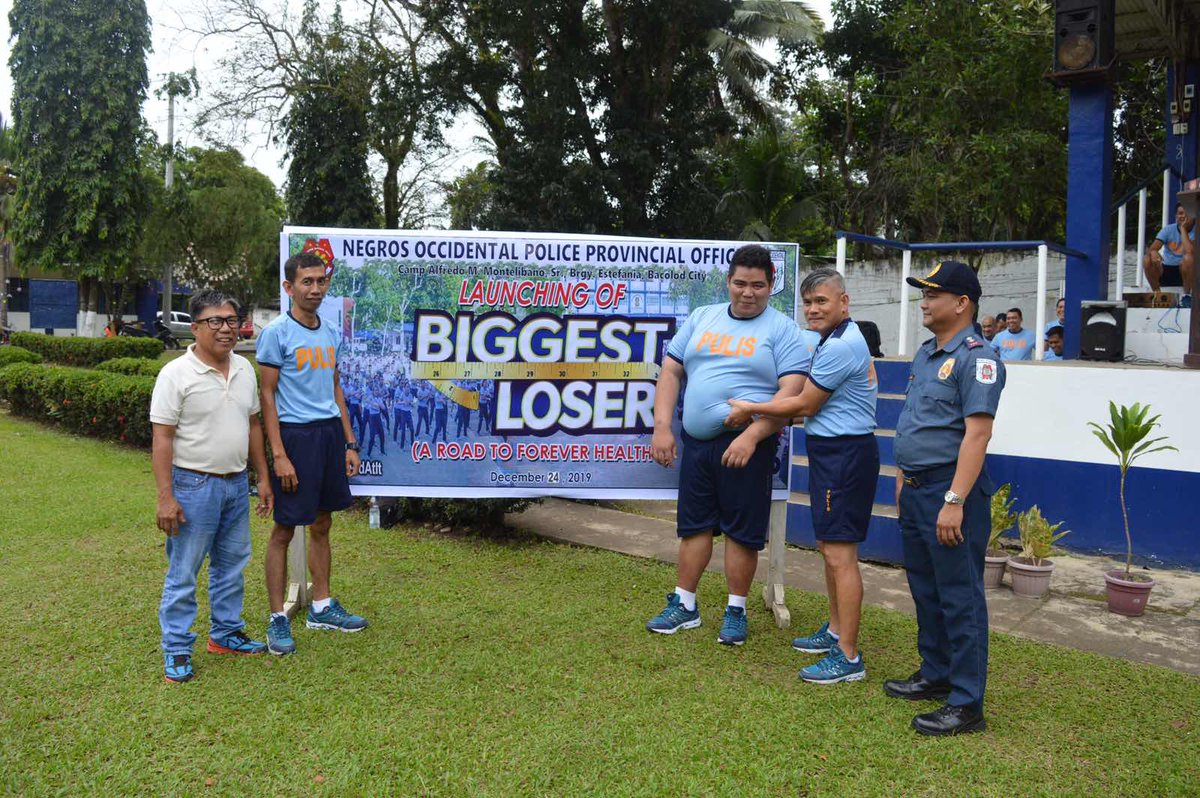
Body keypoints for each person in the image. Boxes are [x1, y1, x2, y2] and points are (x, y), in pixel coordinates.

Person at [644, 244, 807, 646]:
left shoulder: (782, 329)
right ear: (728, 281)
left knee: (741, 531)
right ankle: (685, 605)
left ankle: (736, 609)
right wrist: (662, 426)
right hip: (698, 444)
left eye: (757, 285)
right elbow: (670, 371)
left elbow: (793, 394)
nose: (747, 292)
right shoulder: (703, 317)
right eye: (740, 283)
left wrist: (752, 434)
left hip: (748, 445)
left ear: (771, 285)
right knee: (694, 524)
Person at [727, 268, 879, 684]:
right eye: (808, 303)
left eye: (822, 302)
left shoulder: (840, 347)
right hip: (834, 452)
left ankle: (848, 656)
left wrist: (749, 408)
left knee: (838, 554)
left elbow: (804, 405)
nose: (813, 310)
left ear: (843, 303)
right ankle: (834, 631)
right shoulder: (833, 338)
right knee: (829, 545)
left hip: (844, 456)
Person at [885, 260, 1005, 736]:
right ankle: (935, 673)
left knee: (960, 597)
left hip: (949, 491)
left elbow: (977, 435)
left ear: (962, 304)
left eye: (933, 294)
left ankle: (966, 703)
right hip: (916, 488)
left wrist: (954, 498)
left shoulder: (980, 357)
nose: (924, 301)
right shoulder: (926, 353)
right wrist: (901, 476)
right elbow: (916, 421)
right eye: (923, 292)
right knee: (925, 587)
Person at [150, 290, 274, 683]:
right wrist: (166, 497)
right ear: (196, 326)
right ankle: (177, 649)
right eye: (215, 321)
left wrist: (263, 477)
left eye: (232, 321)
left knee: (231, 565)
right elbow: (162, 438)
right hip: (192, 485)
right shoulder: (175, 374)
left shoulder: (243, 369)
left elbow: (253, 425)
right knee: (184, 570)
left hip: (236, 485)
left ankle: (225, 633)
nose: (225, 329)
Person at [257, 252, 368, 657]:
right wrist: (280, 455)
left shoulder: (332, 332)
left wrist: (349, 442)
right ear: (289, 287)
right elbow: (266, 395)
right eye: (306, 281)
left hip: (326, 436)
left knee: (323, 523)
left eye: (321, 281)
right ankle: (277, 618)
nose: (315, 288)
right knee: (284, 530)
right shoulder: (277, 334)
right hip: (295, 437)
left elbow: (335, 388)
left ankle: (321, 605)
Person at [1143, 203, 1195, 307]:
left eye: (1186, 213)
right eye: (1180, 213)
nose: (1183, 216)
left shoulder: (1196, 229)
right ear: (1176, 216)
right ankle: (1157, 293)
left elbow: (1190, 251)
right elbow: (1152, 249)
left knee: (1188, 258)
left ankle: (1187, 295)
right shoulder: (1168, 229)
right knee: (1147, 259)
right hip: (1167, 270)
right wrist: (1153, 252)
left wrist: (1183, 229)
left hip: (1187, 272)